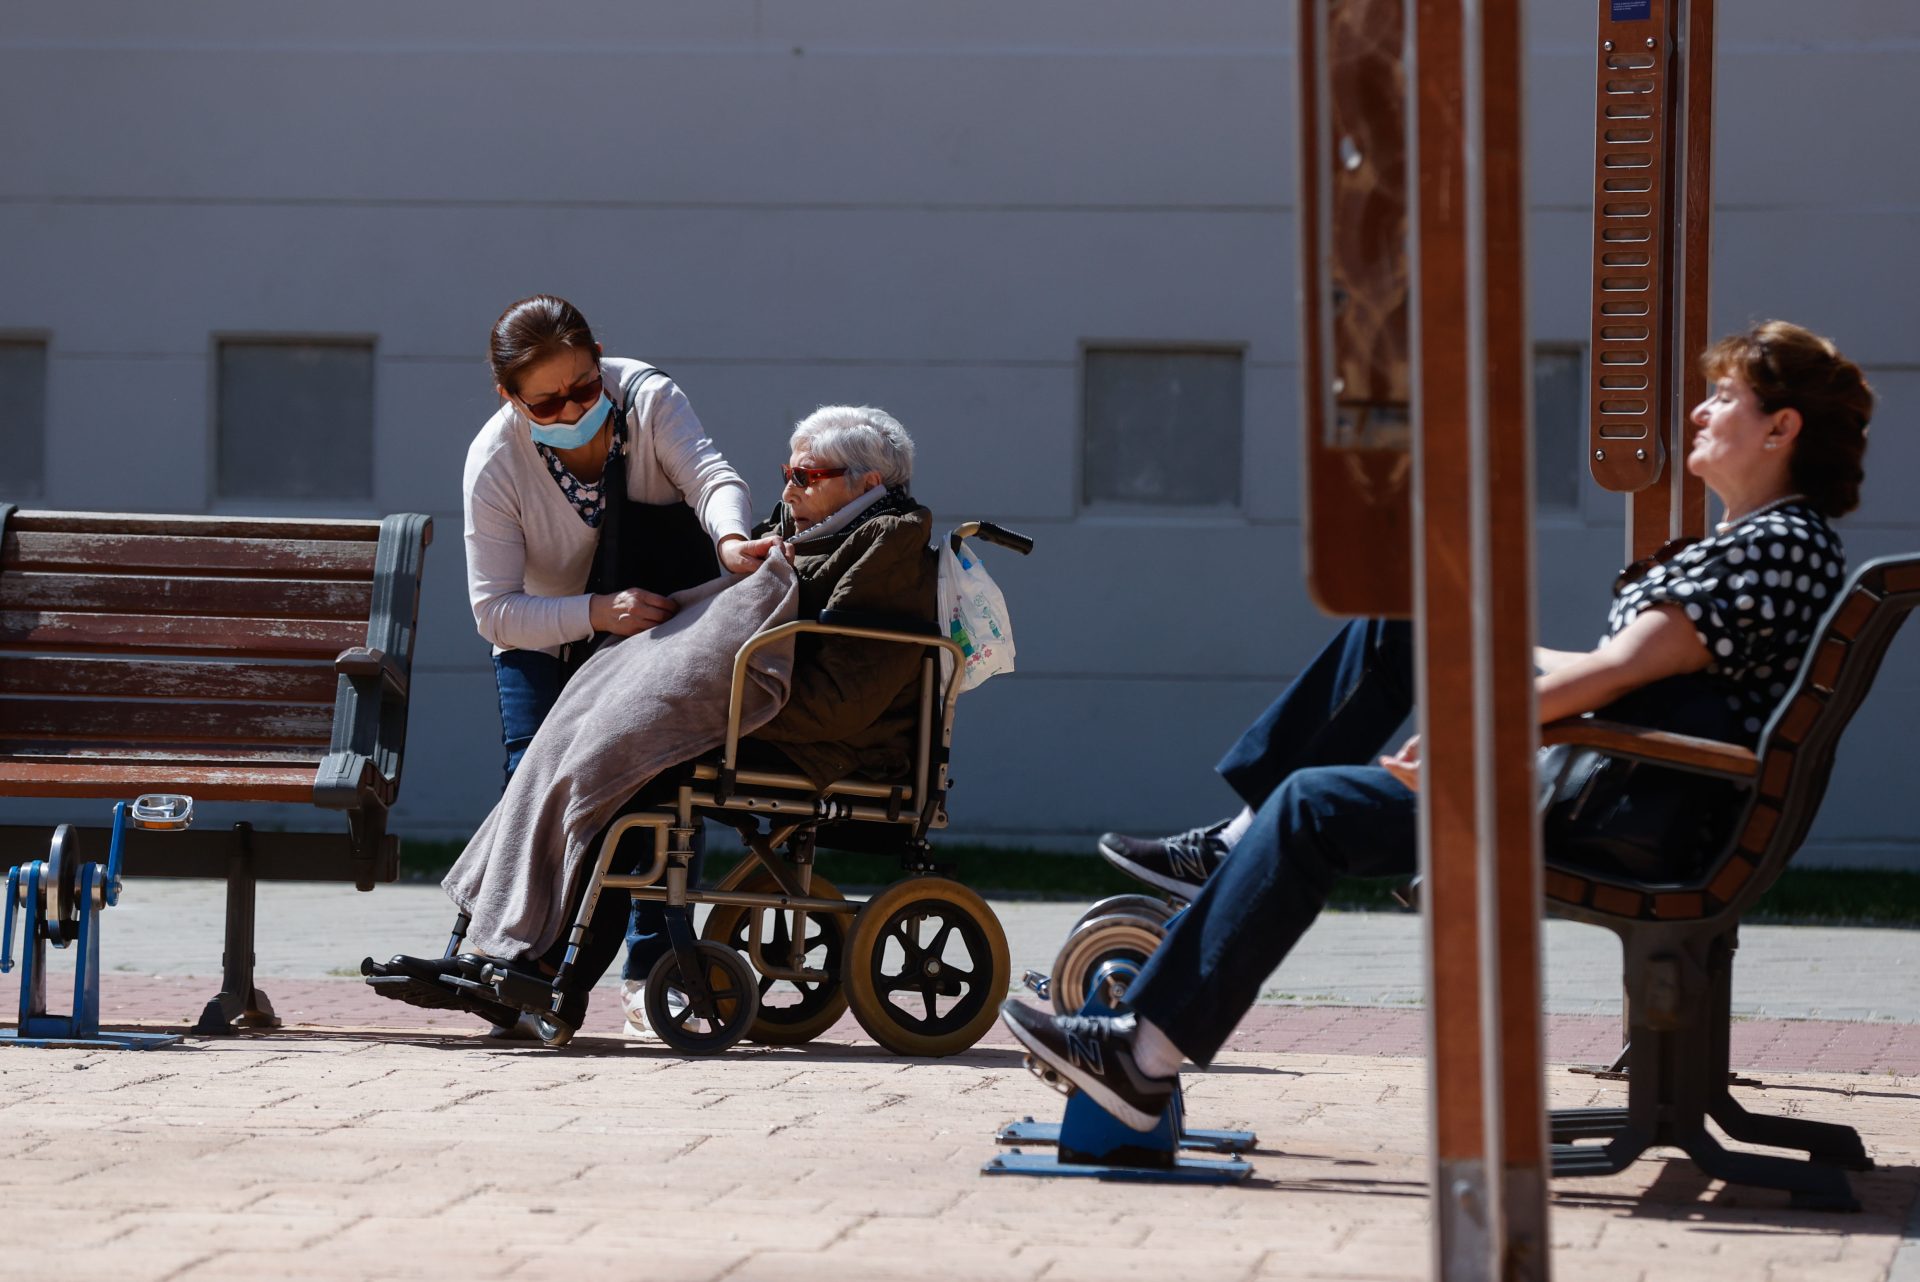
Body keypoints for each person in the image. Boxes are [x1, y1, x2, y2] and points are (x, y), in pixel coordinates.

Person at [1002, 320, 1875, 1129]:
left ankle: (1141, 1058)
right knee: (1410, 621)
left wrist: (1468, 733)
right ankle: (1234, 847)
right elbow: (1623, 678)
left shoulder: (1778, 544)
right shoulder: (1762, 540)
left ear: (1780, 429)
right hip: (1613, 791)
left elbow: (1617, 676)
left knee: (1312, 809)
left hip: (1619, 814)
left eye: (1724, 396)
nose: (1700, 408)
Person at [375, 406, 936, 1036]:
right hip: (755, 713)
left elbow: (842, 690)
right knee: (567, 736)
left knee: (612, 770)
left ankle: (551, 976)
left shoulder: (891, 538)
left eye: (805, 475)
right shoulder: (799, 528)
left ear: (866, 483)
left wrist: (711, 709)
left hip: (828, 739)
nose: (786, 489)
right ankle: (486, 948)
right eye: (787, 472)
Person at [464, 294, 776, 1034]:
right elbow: (496, 611)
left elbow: (710, 477)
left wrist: (731, 542)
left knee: (660, 779)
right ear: (509, 396)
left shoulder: (649, 397)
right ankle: (524, 963)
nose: (573, 406)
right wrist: (598, 613)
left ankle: (648, 971)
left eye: (584, 386)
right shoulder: (493, 464)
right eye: (547, 400)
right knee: (536, 791)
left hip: (651, 627)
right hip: (548, 636)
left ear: (600, 358)